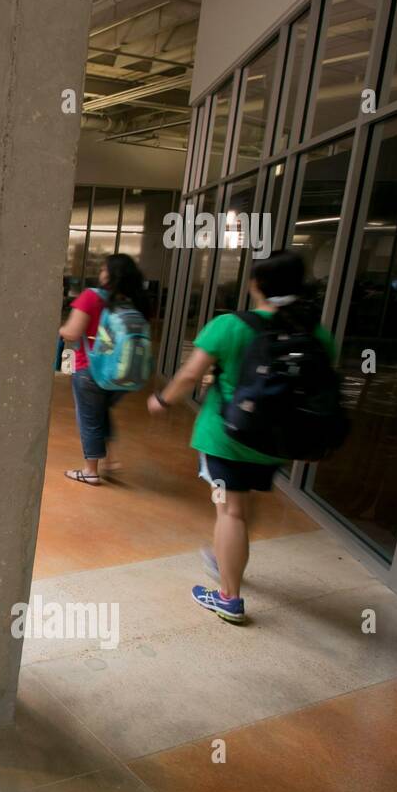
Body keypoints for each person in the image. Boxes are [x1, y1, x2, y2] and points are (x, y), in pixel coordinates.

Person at [148, 251, 337, 625]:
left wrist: (162, 400)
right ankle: (228, 554)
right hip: (274, 444)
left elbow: (189, 375)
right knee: (243, 505)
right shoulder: (315, 333)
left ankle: (228, 596)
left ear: (256, 284)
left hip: (228, 437)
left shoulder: (230, 326)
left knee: (229, 510)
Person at [58, 253, 148, 485]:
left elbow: (73, 332)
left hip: (91, 368)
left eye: (103, 269)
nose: (100, 272)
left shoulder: (91, 297)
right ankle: (111, 460)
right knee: (100, 412)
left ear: (109, 274)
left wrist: (61, 330)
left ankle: (90, 470)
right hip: (122, 373)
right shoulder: (132, 301)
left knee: (89, 417)